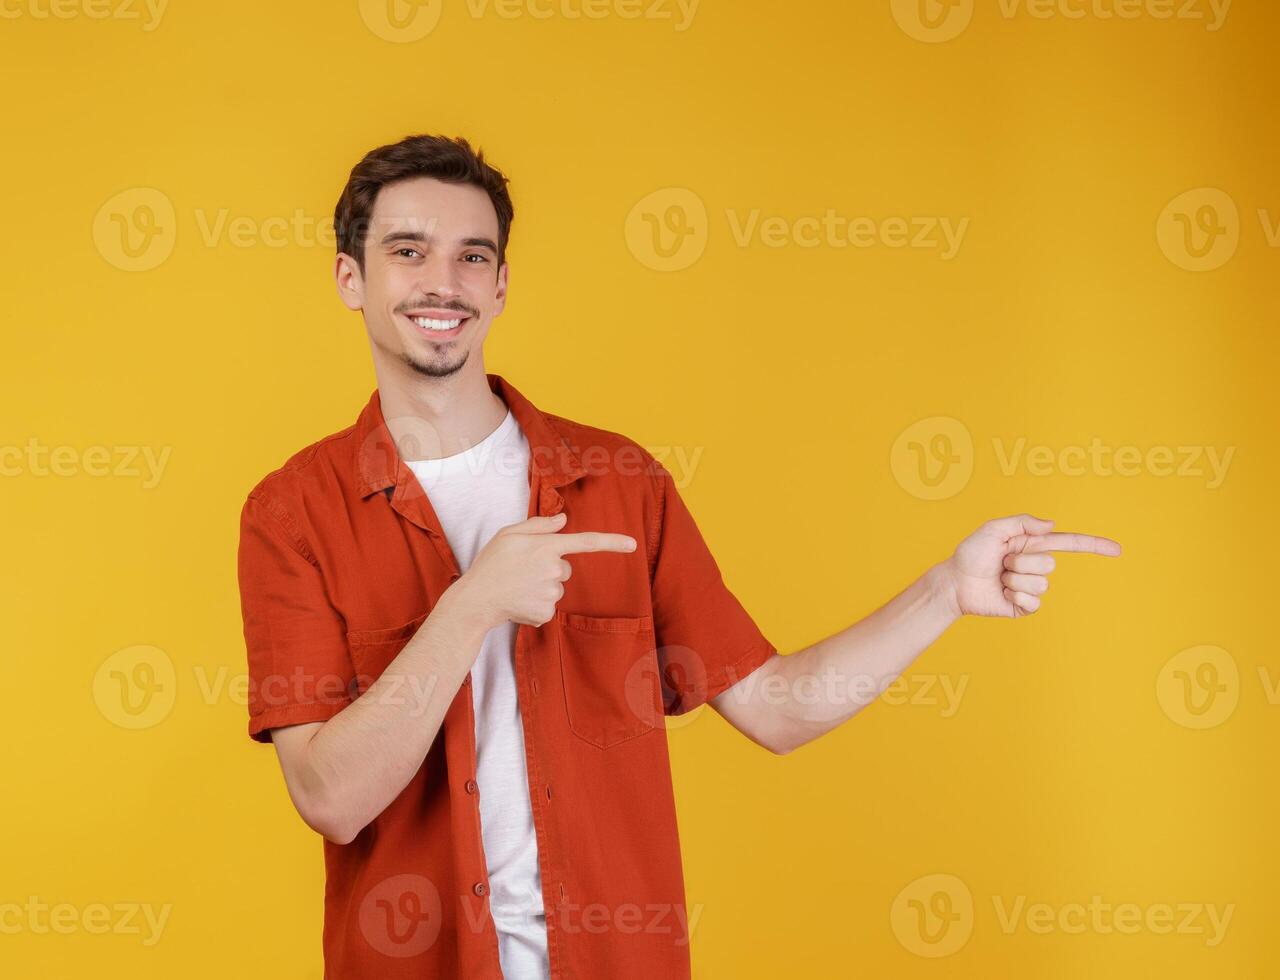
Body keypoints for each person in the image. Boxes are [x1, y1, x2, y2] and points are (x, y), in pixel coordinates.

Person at [236, 134, 1121, 979]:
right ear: (351, 278)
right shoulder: (294, 515)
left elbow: (779, 707)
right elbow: (330, 797)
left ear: (502, 285)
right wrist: (471, 606)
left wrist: (945, 593)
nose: (444, 282)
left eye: (472, 256)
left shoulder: (620, 484)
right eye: (408, 250)